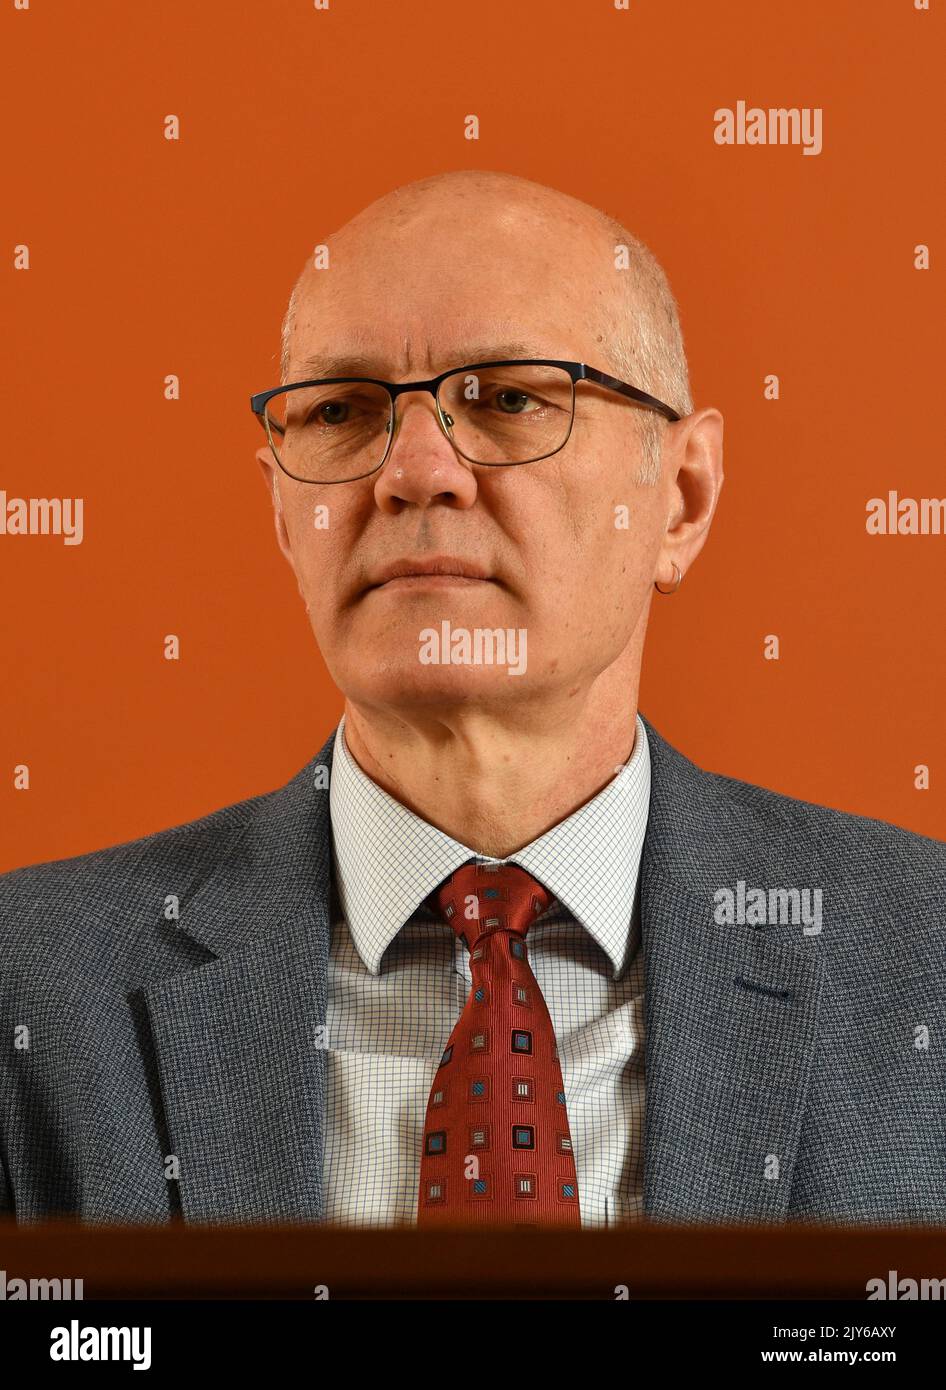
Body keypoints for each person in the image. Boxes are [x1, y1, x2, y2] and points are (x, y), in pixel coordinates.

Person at [2, 170, 944, 1228]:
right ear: (280, 513)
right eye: (340, 412)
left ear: (680, 497)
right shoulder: (27, 989)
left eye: (508, 398)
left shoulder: (924, 959)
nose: (413, 471)